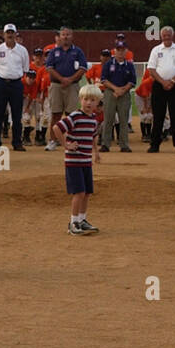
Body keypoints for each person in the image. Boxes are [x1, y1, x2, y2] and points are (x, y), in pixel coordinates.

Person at [52, 84, 103, 235]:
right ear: (80, 99)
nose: (88, 103)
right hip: (73, 162)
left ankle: (82, 220)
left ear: (97, 102)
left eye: (92, 100)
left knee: (87, 192)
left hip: (86, 161)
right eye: (86, 99)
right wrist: (66, 144)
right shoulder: (75, 116)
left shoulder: (93, 119)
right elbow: (57, 128)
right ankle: (73, 223)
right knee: (79, 192)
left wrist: (96, 152)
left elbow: (93, 136)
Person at [145, 27, 175, 153]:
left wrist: (172, 81)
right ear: (161, 36)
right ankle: (155, 144)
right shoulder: (156, 50)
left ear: (172, 36)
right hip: (159, 86)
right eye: (164, 35)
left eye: (168, 35)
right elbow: (151, 69)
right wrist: (163, 82)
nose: (166, 37)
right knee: (158, 116)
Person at [45, 28, 87, 149]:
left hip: (72, 86)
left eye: (68, 34)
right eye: (63, 34)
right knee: (56, 114)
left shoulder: (78, 52)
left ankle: (72, 140)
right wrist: (62, 79)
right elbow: (49, 68)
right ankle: (53, 140)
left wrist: (70, 80)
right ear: (60, 36)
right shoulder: (54, 51)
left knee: (72, 114)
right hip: (56, 86)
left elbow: (83, 68)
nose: (65, 37)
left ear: (72, 36)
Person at [0, 24, 30, 150]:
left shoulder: (22, 50)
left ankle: (17, 142)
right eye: (8, 32)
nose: (10, 35)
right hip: (1, 83)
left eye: (12, 32)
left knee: (17, 114)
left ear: (15, 34)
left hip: (16, 83)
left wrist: (13, 77)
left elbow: (25, 69)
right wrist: (4, 76)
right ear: (4, 34)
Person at [100, 41, 136, 151]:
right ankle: (105, 144)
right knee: (108, 119)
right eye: (118, 50)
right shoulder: (108, 64)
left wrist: (123, 90)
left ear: (126, 51)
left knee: (124, 120)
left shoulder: (129, 65)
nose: (120, 52)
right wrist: (115, 89)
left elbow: (132, 81)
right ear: (114, 51)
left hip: (124, 94)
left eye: (122, 50)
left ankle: (124, 144)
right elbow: (104, 80)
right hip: (110, 93)